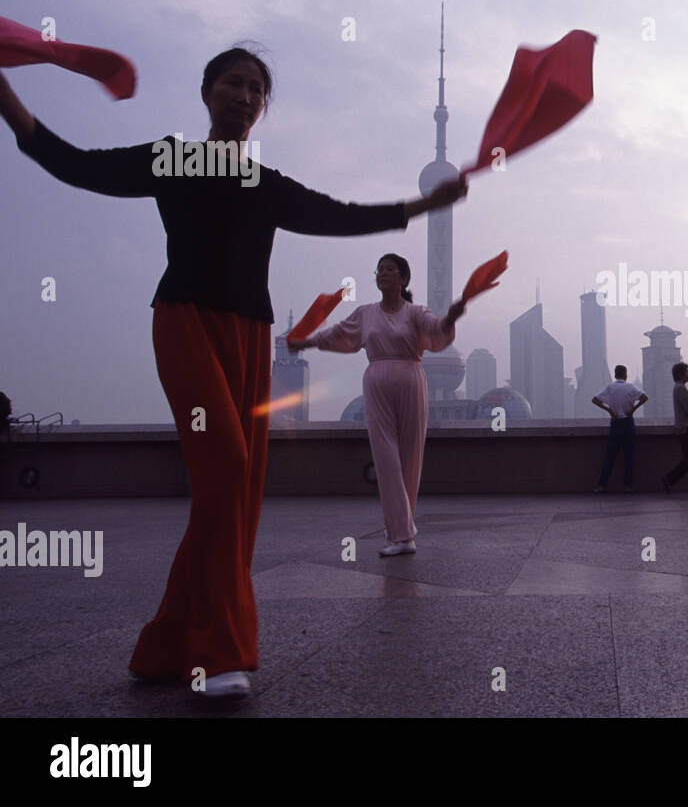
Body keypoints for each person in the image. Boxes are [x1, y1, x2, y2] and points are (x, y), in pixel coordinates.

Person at [0, 51, 467, 698]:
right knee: (223, 468)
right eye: (233, 82)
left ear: (262, 106)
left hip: (249, 335)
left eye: (256, 88)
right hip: (187, 324)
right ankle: (220, 653)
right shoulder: (174, 159)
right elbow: (72, 161)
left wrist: (422, 204)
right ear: (206, 91)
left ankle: (166, 643)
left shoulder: (264, 183)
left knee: (237, 490)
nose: (245, 95)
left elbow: (340, 214)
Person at [289, 254, 463, 555]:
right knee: (386, 459)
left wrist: (450, 317)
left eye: (390, 269)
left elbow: (436, 327)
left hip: (411, 379)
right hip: (377, 381)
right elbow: (339, 334)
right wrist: (307, 342)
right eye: (379, 270)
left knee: (410, 459)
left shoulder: (415, 312)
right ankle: (400, 535)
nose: (383, 274)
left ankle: (402, 536)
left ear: (403, 278)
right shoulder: (365, 313)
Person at [592, 365, 648, 492]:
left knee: (609, 456)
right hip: (628, 422)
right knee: (629, 456)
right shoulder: (631, 387)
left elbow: (594, 399)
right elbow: (645, 397)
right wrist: (633, 409)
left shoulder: (610, 387)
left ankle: (602, 485)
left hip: (616, 422)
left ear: (615, 374)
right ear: (626, 375)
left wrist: (610, 410)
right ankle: (628, 486)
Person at [661, 361, 688, 496]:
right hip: (687, 429)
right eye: (687, 372)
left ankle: (670, 480)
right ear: (681, 374)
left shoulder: (678, 388)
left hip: (684, 429)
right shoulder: (680, 389)